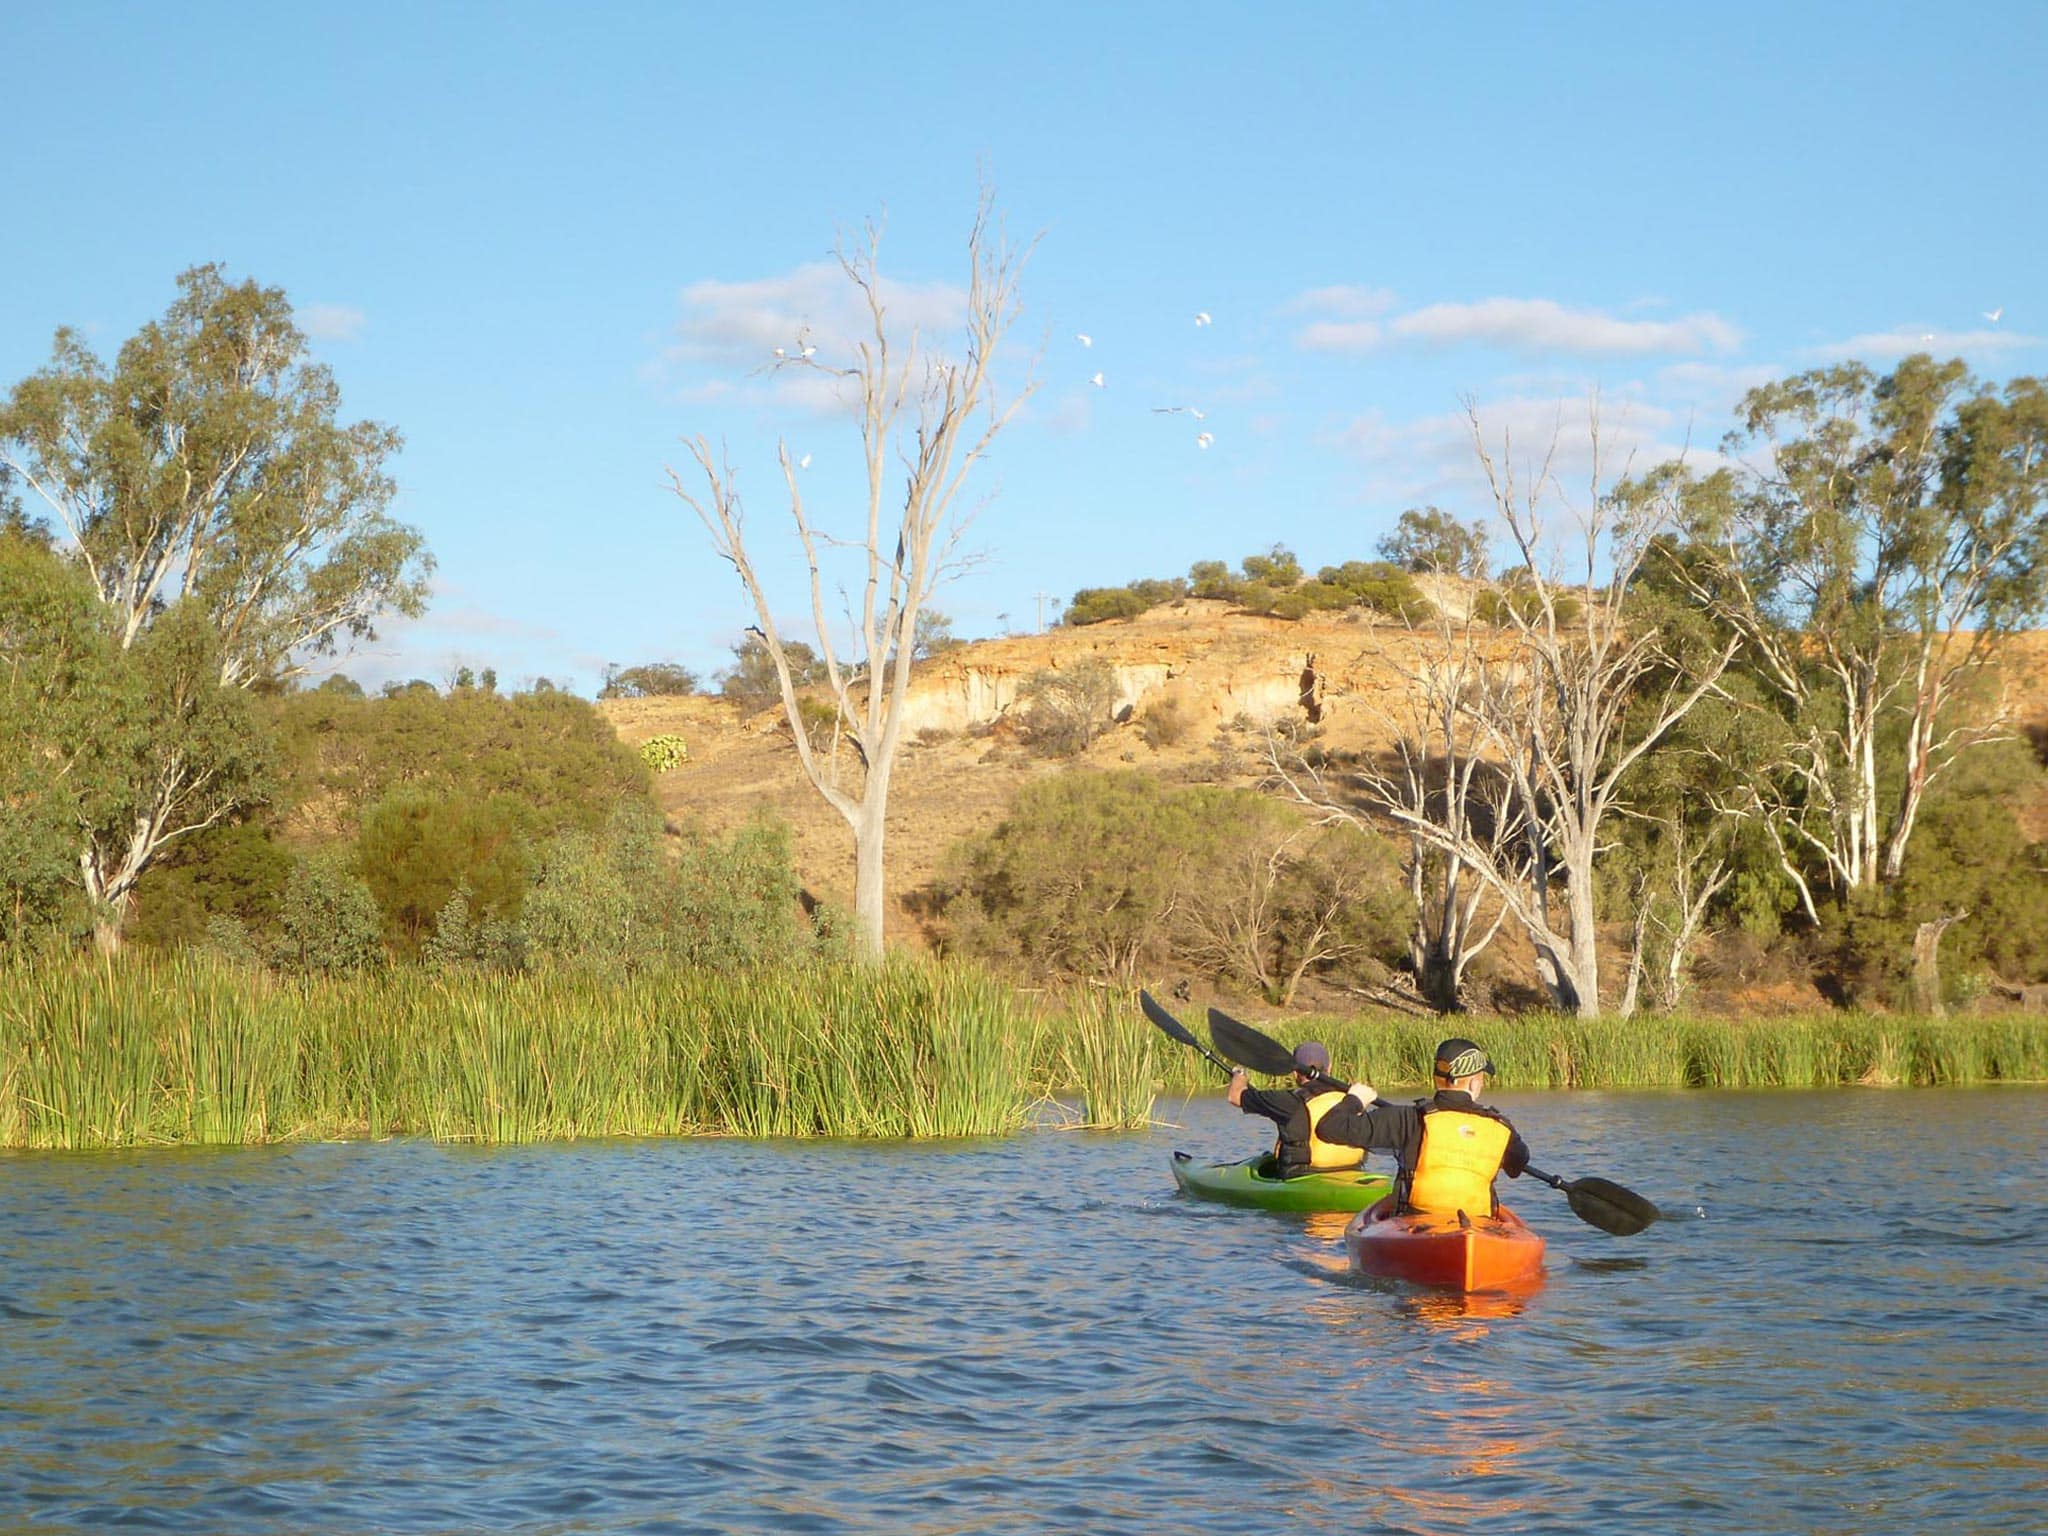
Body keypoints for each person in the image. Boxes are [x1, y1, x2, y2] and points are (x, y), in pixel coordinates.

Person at [1312, 1037, 1530, 1217]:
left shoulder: (1407, 1119)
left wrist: (1356, 1100)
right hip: (1478, 1227)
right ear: (1474, 1082)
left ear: (1436, 1077)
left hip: (1416, 1223)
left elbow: (1329, 1127)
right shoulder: (1501, 1127)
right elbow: (1516, 1166)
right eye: (1481, 1078)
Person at [1225, 1041, 1365, 1178]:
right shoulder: (1353, 1098)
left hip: (1303, 1175)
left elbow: (1234, 1096)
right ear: (1329, 1068)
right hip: (1352, 1171)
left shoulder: (1287, 1101)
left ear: (1294, 1072)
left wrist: (1239, 1074)